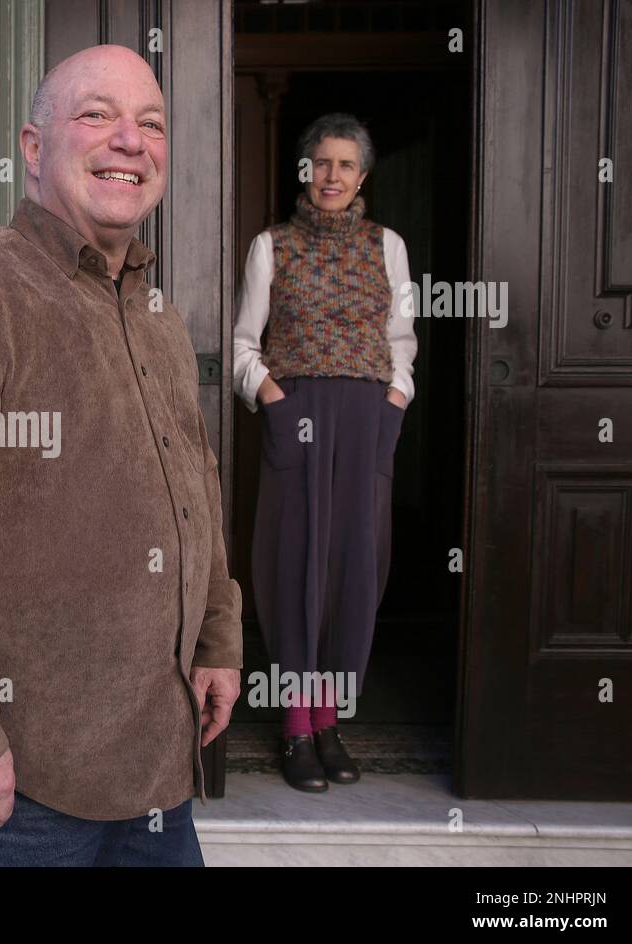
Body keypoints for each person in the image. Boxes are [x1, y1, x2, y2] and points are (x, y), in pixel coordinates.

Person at [0, 44, 243, 866]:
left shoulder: (158, 320)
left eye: (151, 123)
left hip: (158, 769)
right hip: (24, 788)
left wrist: (217, 637)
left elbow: (195, 493)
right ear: (33, 149)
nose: (130, 141)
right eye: (97, 115)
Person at [232, 112, 418, 793]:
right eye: (322, 163)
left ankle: (330, 719)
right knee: (294, 569)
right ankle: (295, 725)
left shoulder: (387, 246)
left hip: (367, 417)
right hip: (298, 414)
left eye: (346, 164)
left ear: (362, 175)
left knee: (354, 573)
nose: (333, 175)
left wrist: (394, 403)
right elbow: (243, 343)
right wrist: (273, 398)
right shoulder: (271, 246)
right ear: (305, 171)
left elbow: (402, 340)